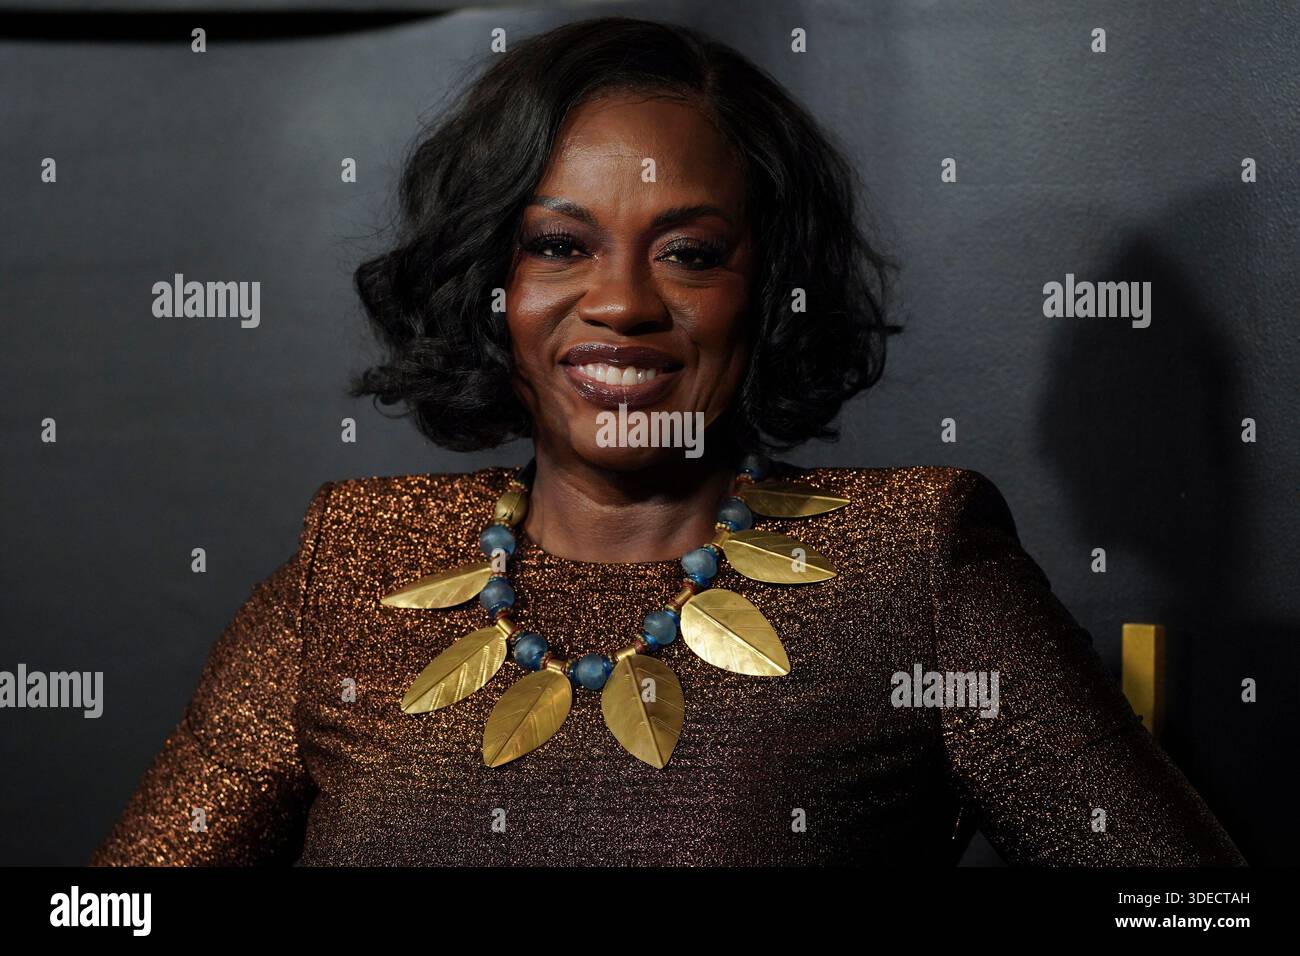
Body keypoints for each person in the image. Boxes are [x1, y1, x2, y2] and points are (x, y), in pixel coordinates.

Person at [90, 17, 1244, 866]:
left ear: (770, 287)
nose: (623, 304)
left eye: (689, 252)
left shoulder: (913, 562)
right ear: (487, 280)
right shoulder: (354, 559)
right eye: (557, 247)